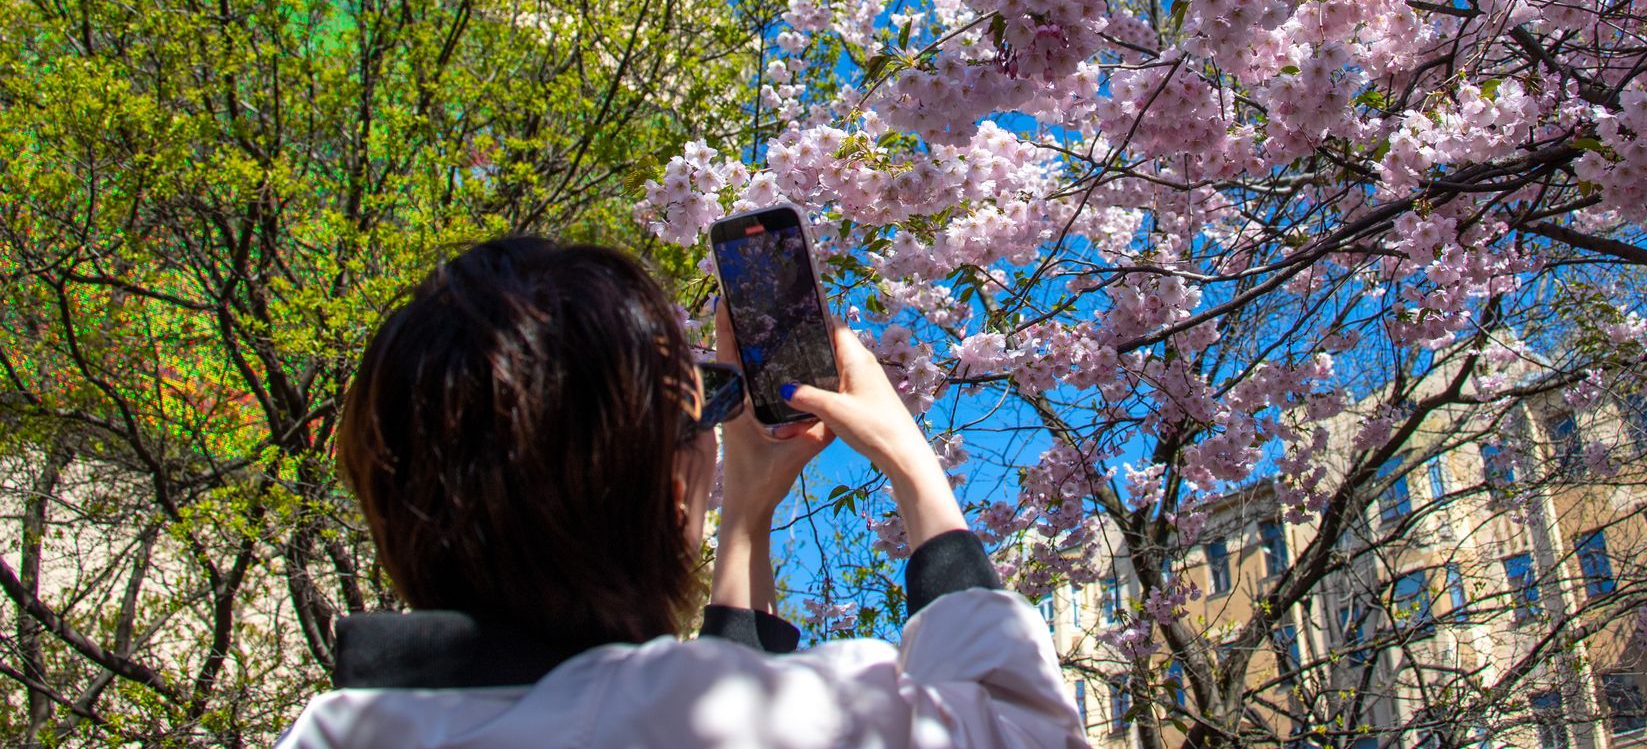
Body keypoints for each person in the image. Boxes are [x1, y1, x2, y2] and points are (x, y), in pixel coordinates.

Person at [277, 236, 1087, 748]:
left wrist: (746, 519)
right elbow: (1026, 727)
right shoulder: (840, 716)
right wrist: (915, 469)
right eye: (698, 401)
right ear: (668, 484)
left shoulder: (330, 729)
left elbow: (673, 704)